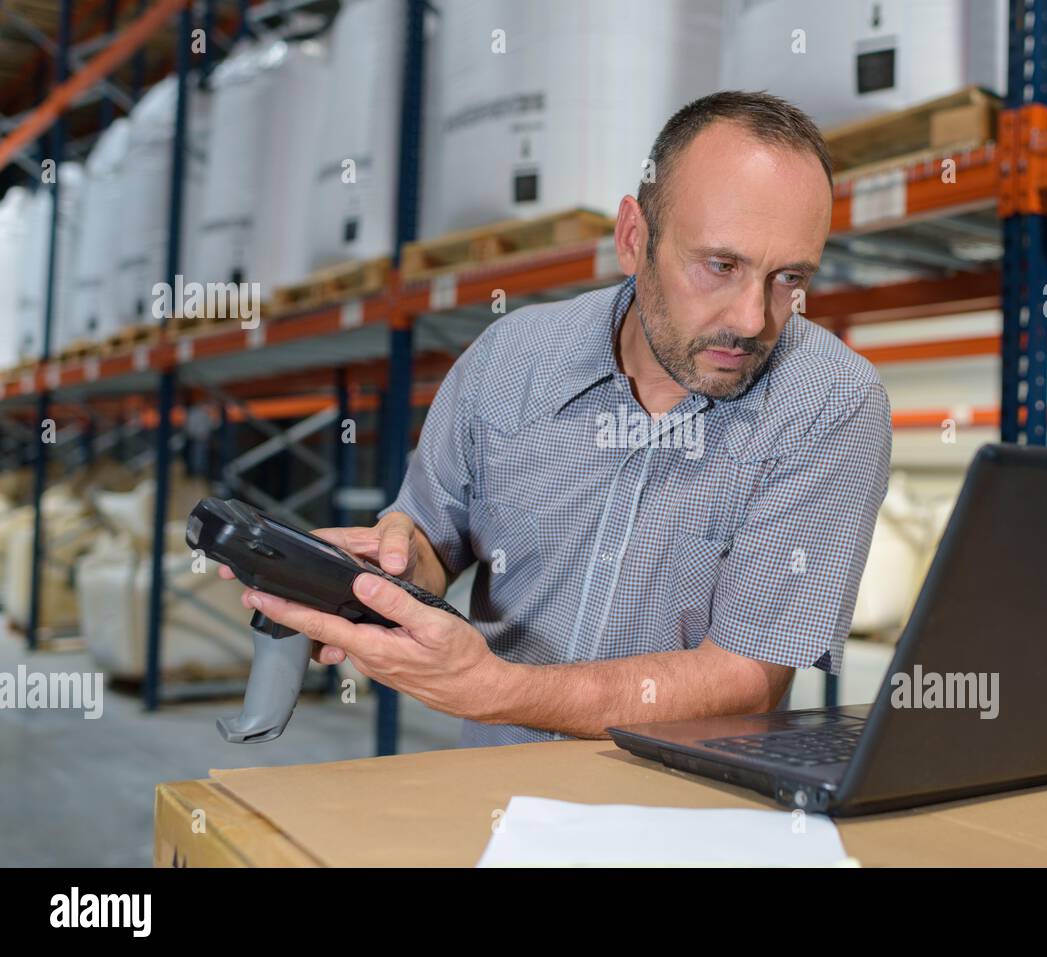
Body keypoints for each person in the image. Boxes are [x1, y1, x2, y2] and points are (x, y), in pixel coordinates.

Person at [225, 91, 893, 747]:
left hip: (690, 815)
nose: (753, 319)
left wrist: (496, 688)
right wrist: (378, 577)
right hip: (496, 803)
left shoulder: (831, 404)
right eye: (721, 265)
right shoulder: (509, 360)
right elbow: (432, 543)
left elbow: (744, 675)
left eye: (788, 278)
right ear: (634, 238)